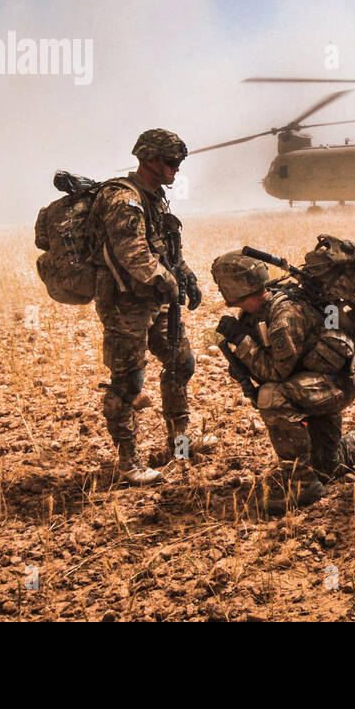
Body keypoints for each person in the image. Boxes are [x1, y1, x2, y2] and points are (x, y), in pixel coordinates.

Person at [210, 237, 355, 513]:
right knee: (328, 466)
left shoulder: (283, 315)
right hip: (322, 380)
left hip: (331, 385)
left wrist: (242, 343)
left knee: (271, 396)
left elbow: (275, 371)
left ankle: (301, 484)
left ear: (234, 291)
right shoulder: (271, 302)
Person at [89, 129, 213, 486]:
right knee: (127, 384)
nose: (176, 170)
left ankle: (181, 443)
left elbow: (163, 247)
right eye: (171, 163)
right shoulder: (121, 198)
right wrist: (166, 280)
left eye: (178, 164)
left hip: (156, 302)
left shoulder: (154, 198)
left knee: (180, 361)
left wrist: (185, 275)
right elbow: (133, 254)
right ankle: (129, 461)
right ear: (149, 161)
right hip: (125, 305)